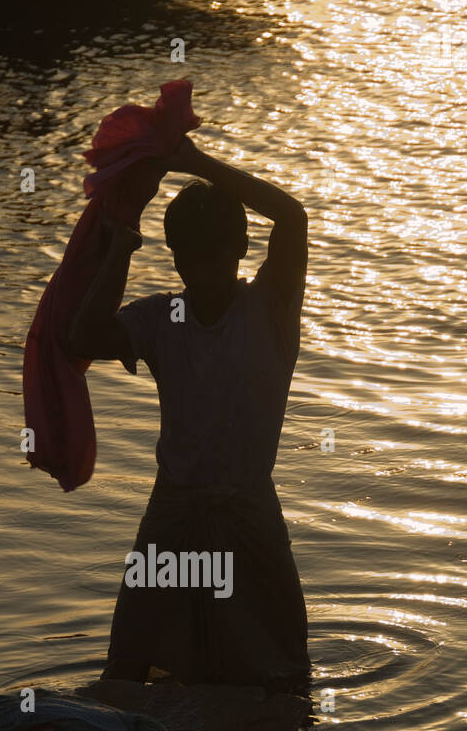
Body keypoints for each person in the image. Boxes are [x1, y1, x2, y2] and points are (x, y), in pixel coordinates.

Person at [68, 135, 310, 692]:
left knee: (278, 662)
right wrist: (120, 250)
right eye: (187, 254)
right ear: (173, 256)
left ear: (240, 251)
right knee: (133, 658)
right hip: (175, 507)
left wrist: (198, 164)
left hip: (247, 506)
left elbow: (291, 216)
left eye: (212, 253)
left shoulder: (269, 307)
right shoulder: (161, 318)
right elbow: (84, 335)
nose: (199, 267)